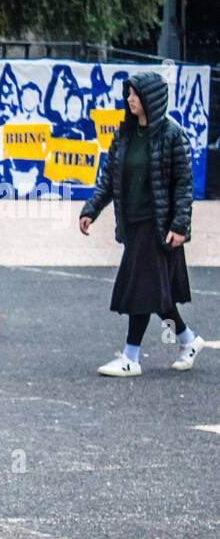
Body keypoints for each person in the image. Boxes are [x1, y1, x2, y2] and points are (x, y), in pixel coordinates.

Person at [80, 72, 203, 376]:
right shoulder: (124, 134)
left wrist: (180, 225)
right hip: (133, 224)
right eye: (129, 94)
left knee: (139, 289)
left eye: (135, 94)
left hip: (158, 224)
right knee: (157, 293)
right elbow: (108, 178)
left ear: (152, 99)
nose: (129, 99)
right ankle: (188, 339)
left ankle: (131, 357)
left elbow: (184, 184)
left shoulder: (172, 134)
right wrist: (91, 209)